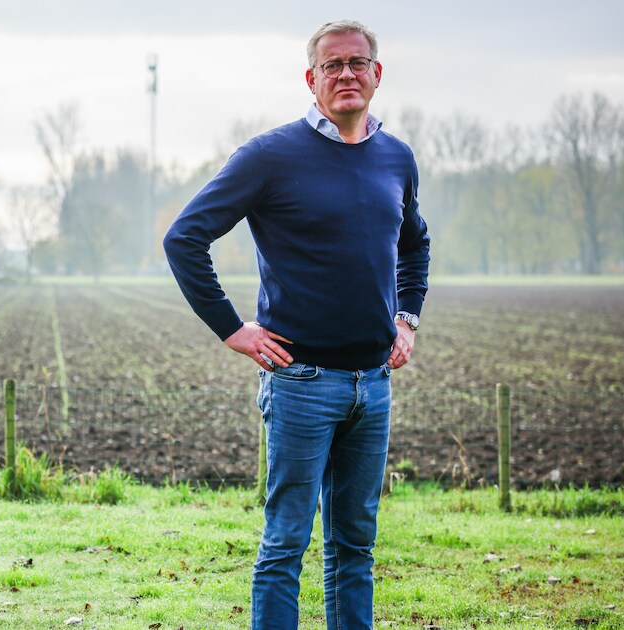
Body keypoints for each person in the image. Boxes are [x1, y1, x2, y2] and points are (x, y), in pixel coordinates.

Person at [162, 19, 430, 629]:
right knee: (286, 543)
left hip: (374, 384)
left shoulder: (396, 157)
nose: (345, 75)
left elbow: (415, 245)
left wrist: (406, 320)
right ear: (311, 80)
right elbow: (185, 239)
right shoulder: (270, 156)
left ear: (376, 74)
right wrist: (233, 329)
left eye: (356, 63)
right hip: (301, 382)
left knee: (355, 546)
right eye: (331, 66)